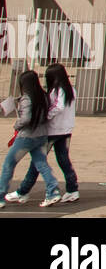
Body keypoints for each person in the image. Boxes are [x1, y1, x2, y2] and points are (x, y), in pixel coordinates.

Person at [8, 64, 78, 204]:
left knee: (37, 162)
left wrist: (45, 115)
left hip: (53, 131)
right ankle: (72, 189)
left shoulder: (59, 90)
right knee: (63, 160)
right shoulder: (70, 89)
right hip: (65, 130)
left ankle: (23, 191)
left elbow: (58, 107)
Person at [0, 70, 61, 209]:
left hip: (26, 137)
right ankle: (53, 191)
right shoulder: (44, 96)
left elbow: (26, 118)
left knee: (8, 165)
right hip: (41, 136)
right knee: (42, 165)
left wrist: (17, 125)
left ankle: (0, 196)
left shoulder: (27, 98)